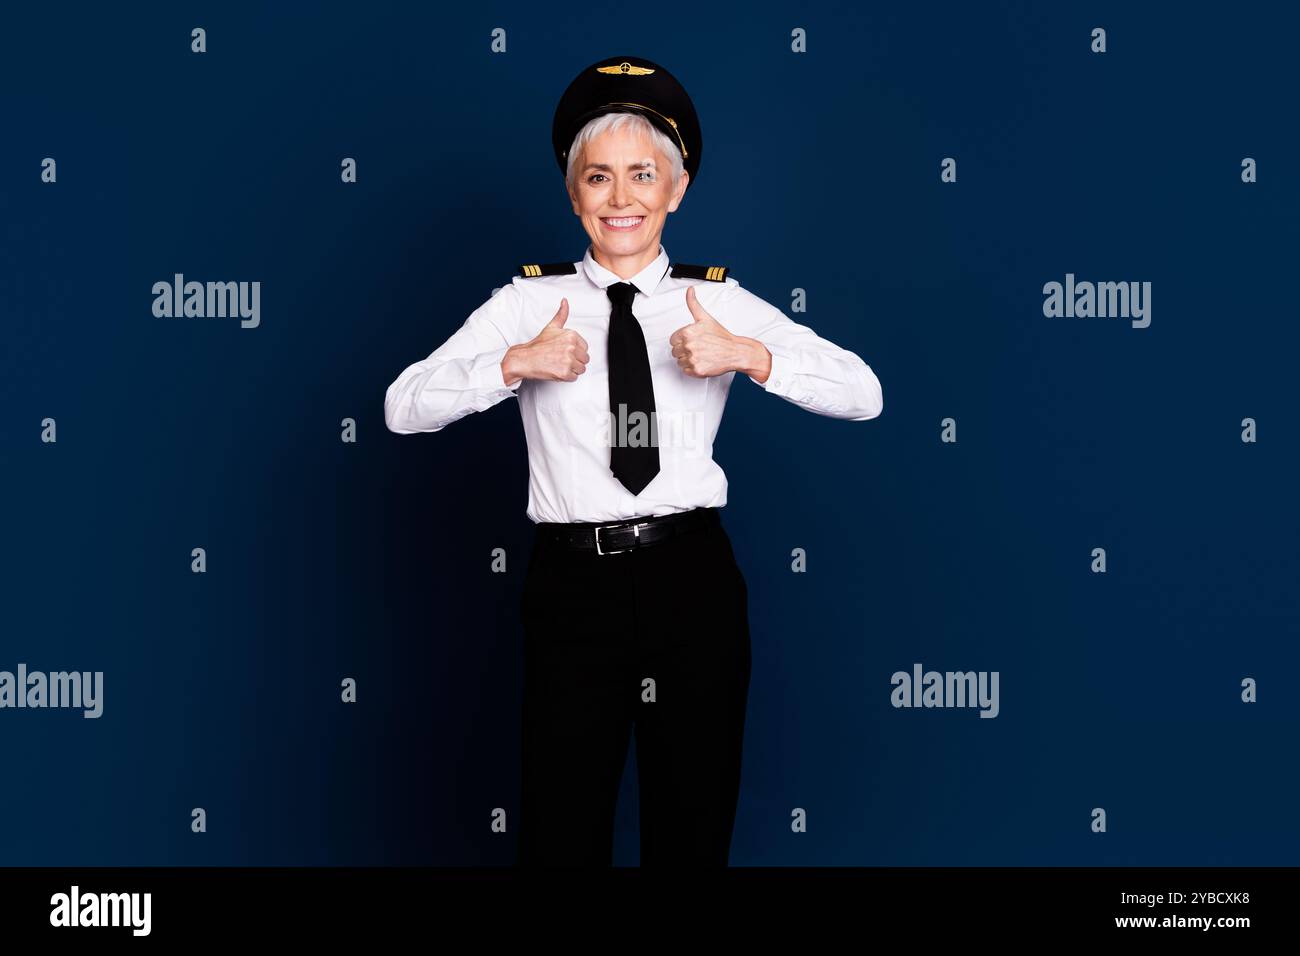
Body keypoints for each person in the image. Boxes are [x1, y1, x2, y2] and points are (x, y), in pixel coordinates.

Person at [384, 55, 884, 866]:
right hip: (571, 588)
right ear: (572, 191)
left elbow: (864, 392)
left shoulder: (716, 298)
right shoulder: (525, 303)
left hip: (691, 580)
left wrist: (750, 353)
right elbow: (402, 408)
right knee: (560, 826)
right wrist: (512, 365)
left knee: (693, 822)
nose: (620, 200)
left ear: (675, 190)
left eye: (642, 176)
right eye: (598, 178)